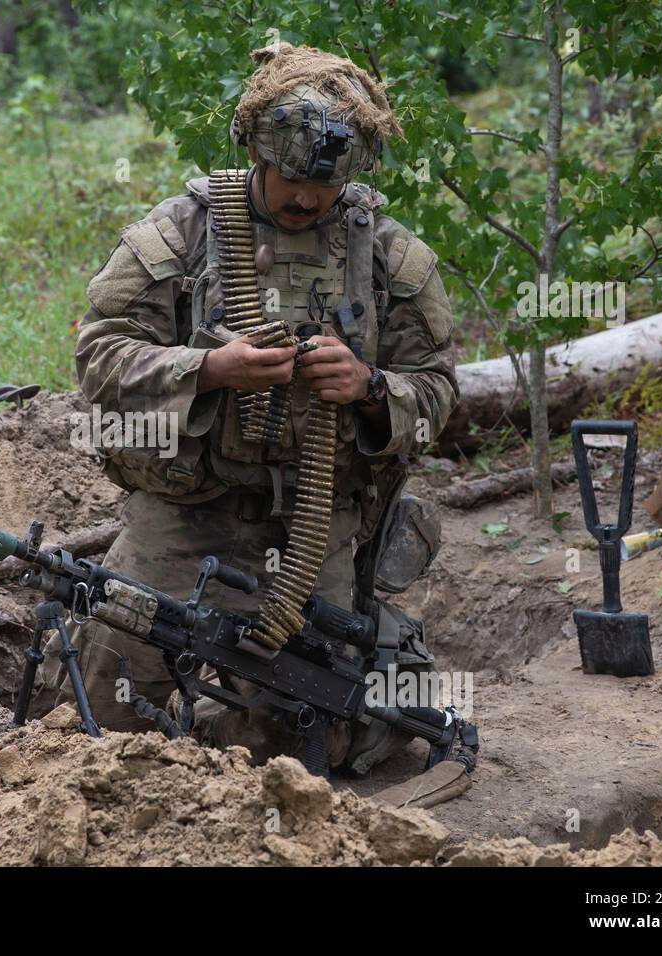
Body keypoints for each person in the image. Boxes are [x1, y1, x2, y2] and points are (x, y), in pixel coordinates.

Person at [53, 42, 458, 773]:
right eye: (291, 182)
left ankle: (231, 735)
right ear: (255, 157)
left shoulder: (390, 259)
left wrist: (368, 389)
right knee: (96, 714)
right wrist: (209, 369)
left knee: (303, 740)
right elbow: (99, 358)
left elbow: (436, 393)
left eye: (324, 187)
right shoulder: (181, 234)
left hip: (313, 528)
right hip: (185, 518)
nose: (306, 199)